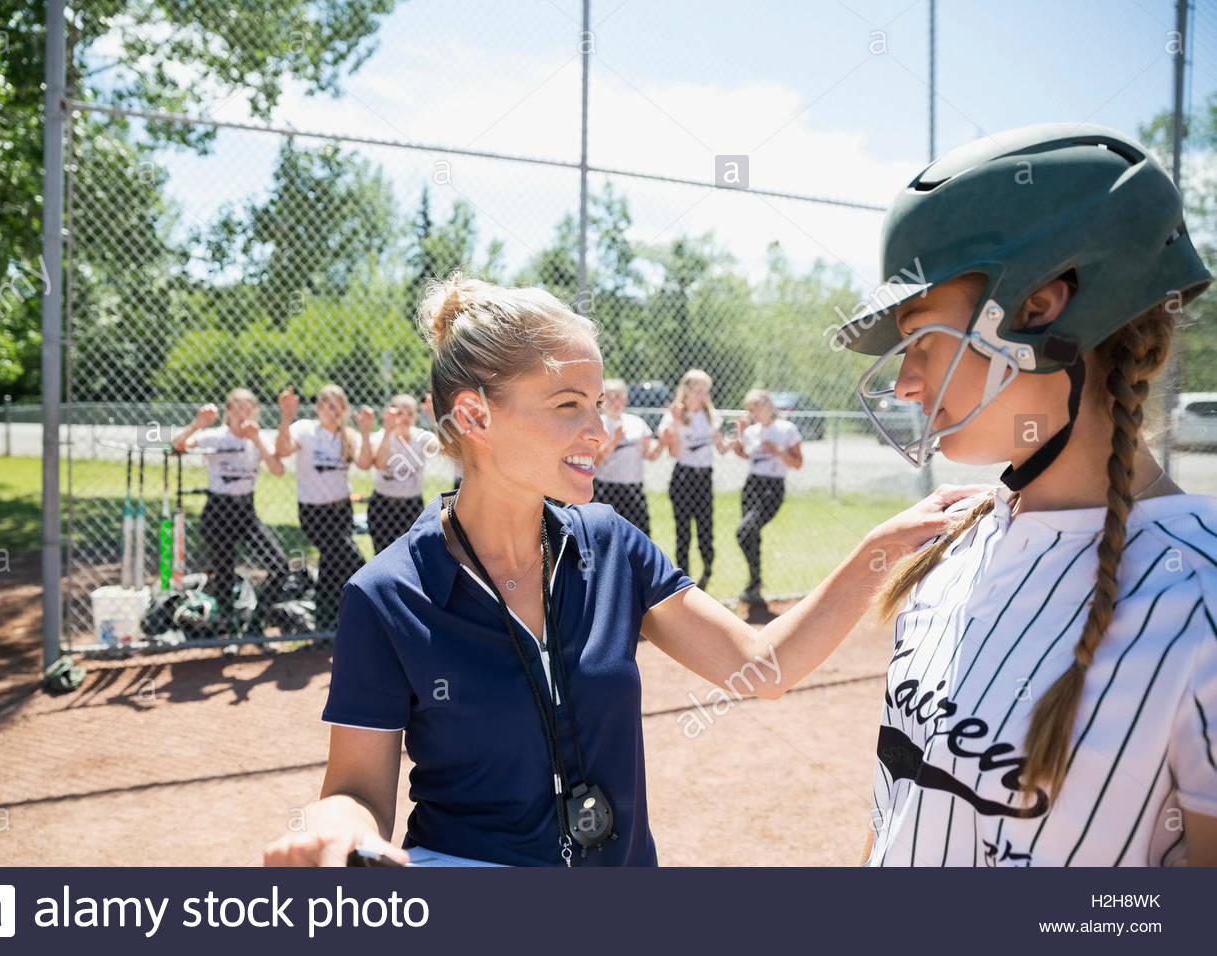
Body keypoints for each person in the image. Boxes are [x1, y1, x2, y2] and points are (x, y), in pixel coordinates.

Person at [262, 272, 985, 868]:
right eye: (569, 406)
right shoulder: (388, 594)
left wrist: (880, 548)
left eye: (601, 405)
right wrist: (337, 828)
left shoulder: (611, 545)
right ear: (474, 418)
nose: (599, 432)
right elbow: (357, 791)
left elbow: (761, 667)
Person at [833, 123, 1217, 866]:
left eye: (921, 338)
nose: (907, 382)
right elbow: (895, 823)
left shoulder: (1197, 598)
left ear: (1040, 308)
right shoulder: (948, 554)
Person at [170, 388, 286, 636]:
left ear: (256, 412)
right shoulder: (216, 436)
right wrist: (197, 424)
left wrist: (256, 440)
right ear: (229, 412)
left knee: (280, 566)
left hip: (246, 512)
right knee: (224, 573)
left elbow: (278, 469)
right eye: (239, 408)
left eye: (249, 408)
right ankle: (230, 629)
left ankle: (254, 624)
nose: (244, 413)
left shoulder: (258, 438)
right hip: (218, 510)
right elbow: (176, 448)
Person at [275, 385, 374, 632]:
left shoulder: (348, 436)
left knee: (331, 567)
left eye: (340, 405)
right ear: (319, 408)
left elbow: (363, 464)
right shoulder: (306, 429)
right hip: (314, 513)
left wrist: (364, 431)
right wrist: (286, 416)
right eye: (329, 405)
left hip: (341, 512)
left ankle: (326, 624)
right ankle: (368, 616)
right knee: (354, 561)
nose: (335, 411)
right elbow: (282, 450)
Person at [731, 388, 803, 604]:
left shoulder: (786, 429)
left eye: (756, 408)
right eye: (750, 410)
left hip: (772, 487)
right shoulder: (752, 431)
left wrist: (779, 451)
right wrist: (739, 436)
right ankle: (754, 584)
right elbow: (744, 454)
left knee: (744, 532)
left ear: (769, 406)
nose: (753, 413)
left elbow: (798, 463)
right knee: (752, 536)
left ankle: (755, 581)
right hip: (752, 485)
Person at [658, 369, 729, 589]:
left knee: (706, 529)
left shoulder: (711, 415)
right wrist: (677, 423)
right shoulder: (673, 416)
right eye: (696, 389)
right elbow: (673, 451)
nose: (701, 394)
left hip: (704, 477)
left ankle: (707, 571)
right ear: (686, 390)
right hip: (683, 476)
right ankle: (684, 579)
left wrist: (736, 438)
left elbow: (722, 448)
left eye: (704, 390)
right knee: (683, 531)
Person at [359, 394, 437, 556]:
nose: (406, 418)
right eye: (400, 413)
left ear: (416, 416)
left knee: (413, 555)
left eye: (410, 413)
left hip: (412, 506)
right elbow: (380, 464)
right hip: (383, 506)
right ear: (391, 414)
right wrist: (389, 431)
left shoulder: (420, 437)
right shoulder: (381, 436)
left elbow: (442, 447)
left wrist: (434, 418)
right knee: (383, 554)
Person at [591, 378, 661, 536]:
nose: (614, 401)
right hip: (605, 488)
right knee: (604, 535)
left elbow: (650, 455)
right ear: (602, 400)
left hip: (633, 488)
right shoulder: (597, 423)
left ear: (625, 398)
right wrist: (615, 440)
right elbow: (595, 461)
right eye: (609, 396)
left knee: (640, 535)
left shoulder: (637, 423)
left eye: (618, 396)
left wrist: (663, 442)